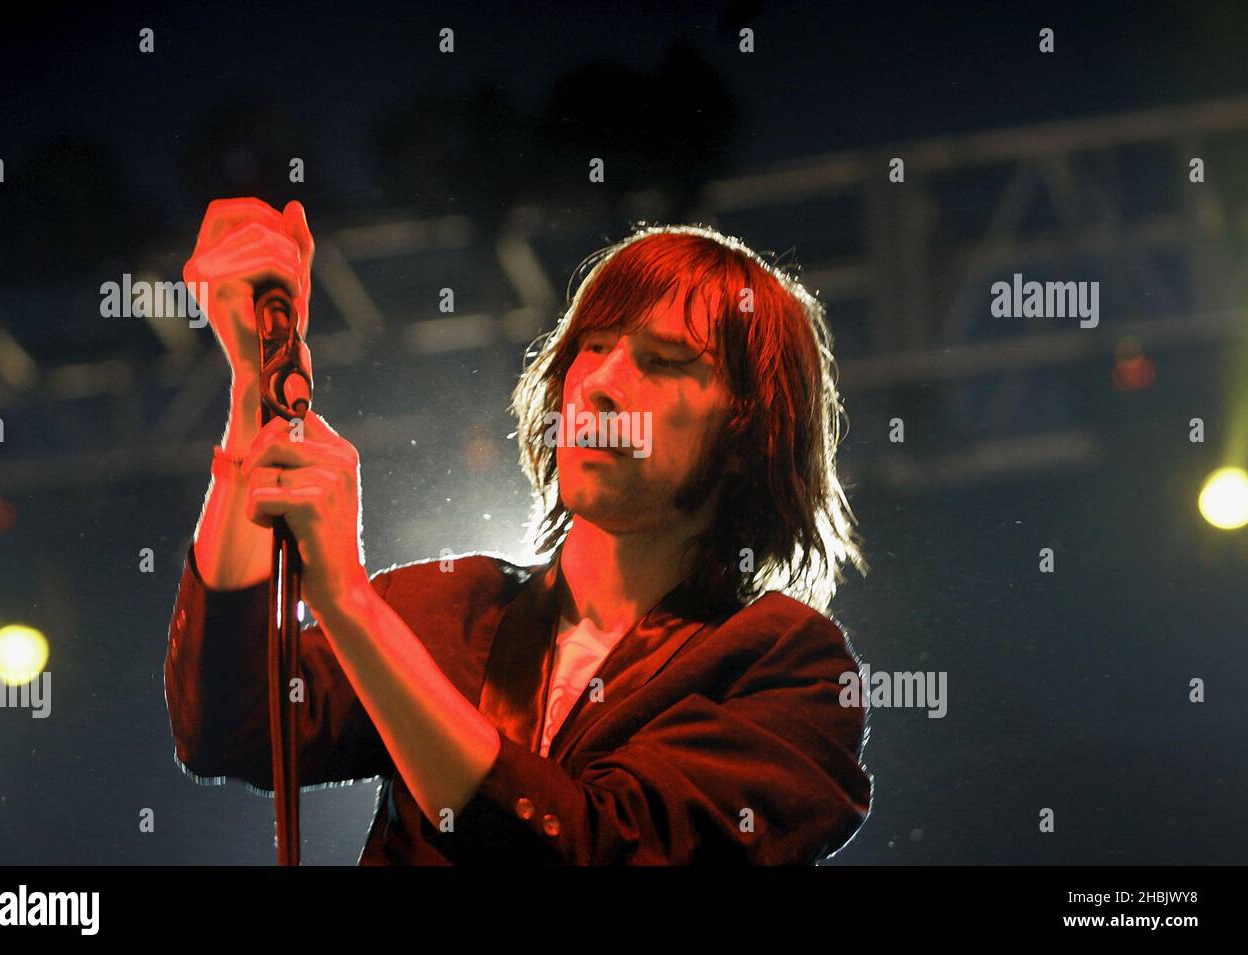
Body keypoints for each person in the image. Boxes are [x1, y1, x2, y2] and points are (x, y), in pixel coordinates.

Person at [164, 197, 874, 864]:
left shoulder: (786, 668)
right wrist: (254, 388)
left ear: (749, 433)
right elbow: (229, 722)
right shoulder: (452, 605)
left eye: (663, 361)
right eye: (591, 347)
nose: (600, 382)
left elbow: (593, 847)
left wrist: (348, 601)